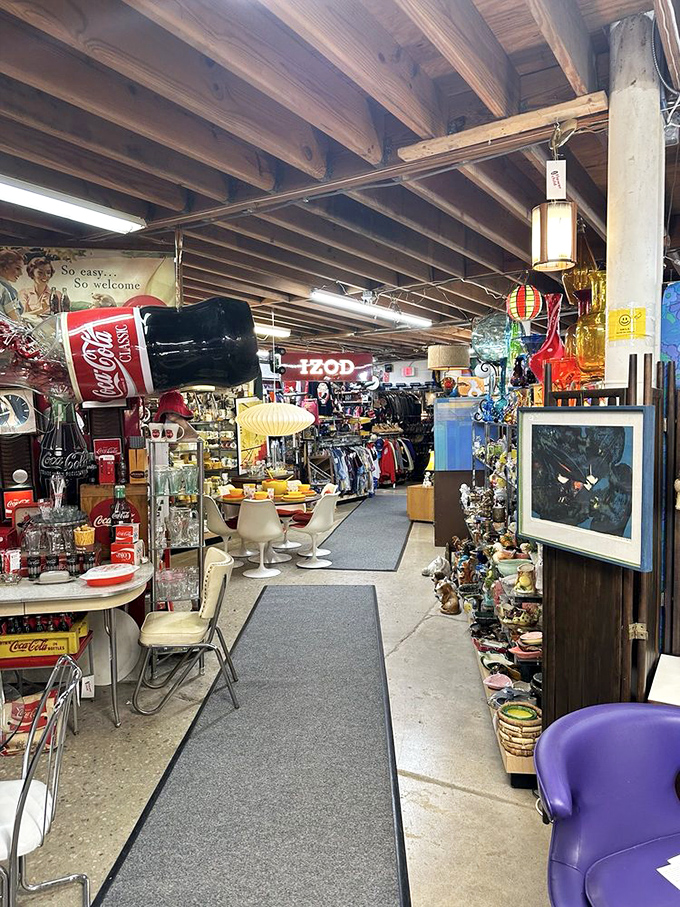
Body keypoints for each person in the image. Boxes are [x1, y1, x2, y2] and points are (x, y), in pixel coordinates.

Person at [19, 256, 59, 321]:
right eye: (40, 273)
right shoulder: (24, 293)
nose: (45, 276)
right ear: (32, 273)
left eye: (48, 272)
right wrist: (41, 310)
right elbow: (21, 316)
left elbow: (60, 316)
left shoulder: (56, 294)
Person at [0, 250, 24, 321]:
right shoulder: (7, 290)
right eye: (17, 268)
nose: (21, 273)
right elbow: (15, 319)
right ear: (5, 267)